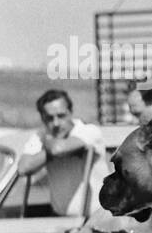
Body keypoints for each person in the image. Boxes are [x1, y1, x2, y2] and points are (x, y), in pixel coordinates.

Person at [17, 89, 109, 217]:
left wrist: (47, 143)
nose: (56, 123)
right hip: (62, 222)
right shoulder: (41, 136)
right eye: (49, 118)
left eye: (61, 116)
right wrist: (50, 147)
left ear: (70, 113)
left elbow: (58, 149)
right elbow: (23, 168)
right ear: (42, 118)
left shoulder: (89, 131)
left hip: (98, 220)